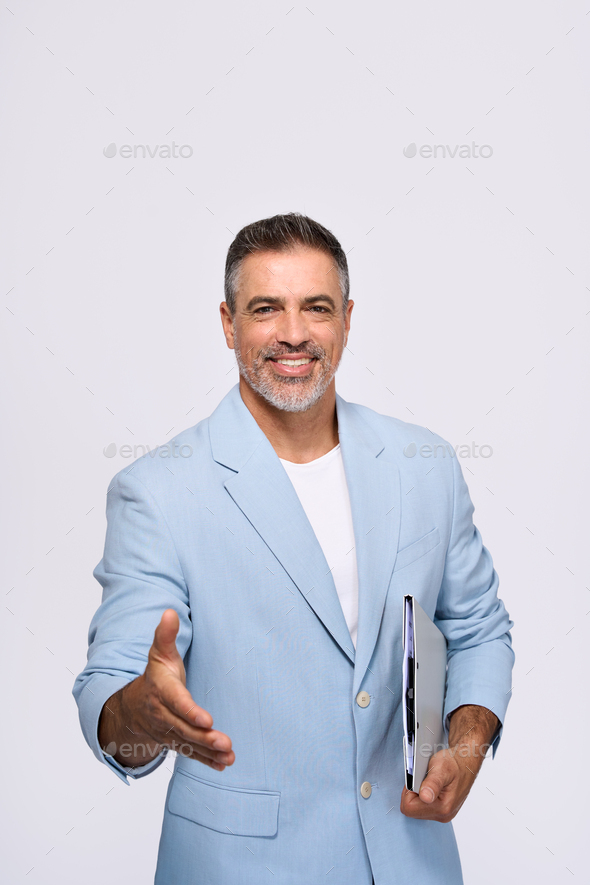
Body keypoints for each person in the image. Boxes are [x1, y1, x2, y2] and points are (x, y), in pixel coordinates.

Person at [74, 213, 514, 884]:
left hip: (410, 860)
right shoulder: (159, 491)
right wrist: (145, 711)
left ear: (346, 318)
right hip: (242, 867)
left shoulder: (424, 464)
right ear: (227, 323)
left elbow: (478, 627)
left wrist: (466, 743)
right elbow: (110, 684)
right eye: (264, 309)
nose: (293, 333)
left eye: (316, 307)